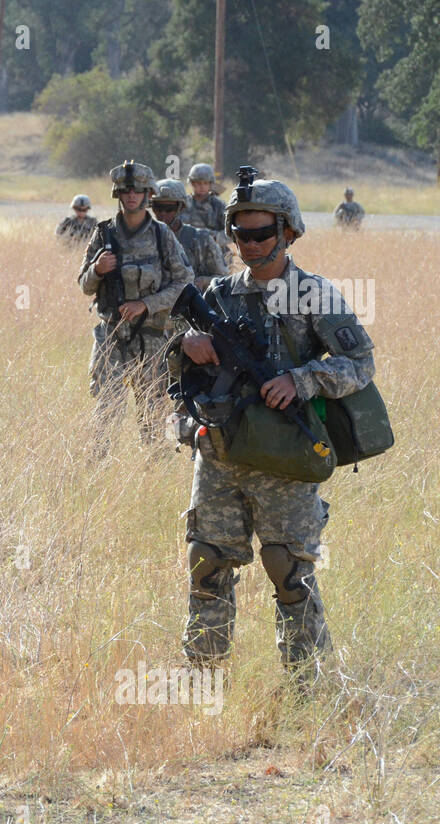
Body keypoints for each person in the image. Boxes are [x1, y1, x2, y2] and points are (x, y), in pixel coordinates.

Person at [172, 175, 374, 685]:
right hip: (219, 454)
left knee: (289, 572)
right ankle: (203, 683)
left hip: (285, 459)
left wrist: (301, 379)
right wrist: (186, 347)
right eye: (240, 234)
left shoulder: (314, 295)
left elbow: (361, 362)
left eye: (261, 232)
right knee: (206, 565)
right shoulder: (215, 295)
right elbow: (178, 374)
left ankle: (307, 688)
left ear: (288, 232)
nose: (250, 244)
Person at [78, 161, 193, 442]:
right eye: (127, 190)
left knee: (153, 410)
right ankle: (97, 469)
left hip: (150, 335)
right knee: (106, 408)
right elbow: (84, 285)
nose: (132, 195)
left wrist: (147, 304)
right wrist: (97, 270)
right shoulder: (103, 233)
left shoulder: (161, 235)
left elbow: (184, 282)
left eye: (138, 190)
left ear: (147, 194)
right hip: (112, 334)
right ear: (118, 193)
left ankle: (156, 471)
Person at [152, 178, 227, 291]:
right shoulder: (144, 239)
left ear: (181, 208)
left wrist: (204, 281)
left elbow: (224, 278)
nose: (162, 213)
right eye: (158, 208)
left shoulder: (201, 240)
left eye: (169, 209)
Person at [180, 162, 226, 235]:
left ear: (210, 184)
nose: (202, 187)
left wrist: (215, 237)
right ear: (192, 183)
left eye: (205, 183)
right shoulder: (183, 204)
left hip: (214, 245)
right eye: (198, 183)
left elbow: (229, 232)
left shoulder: (218, 205)